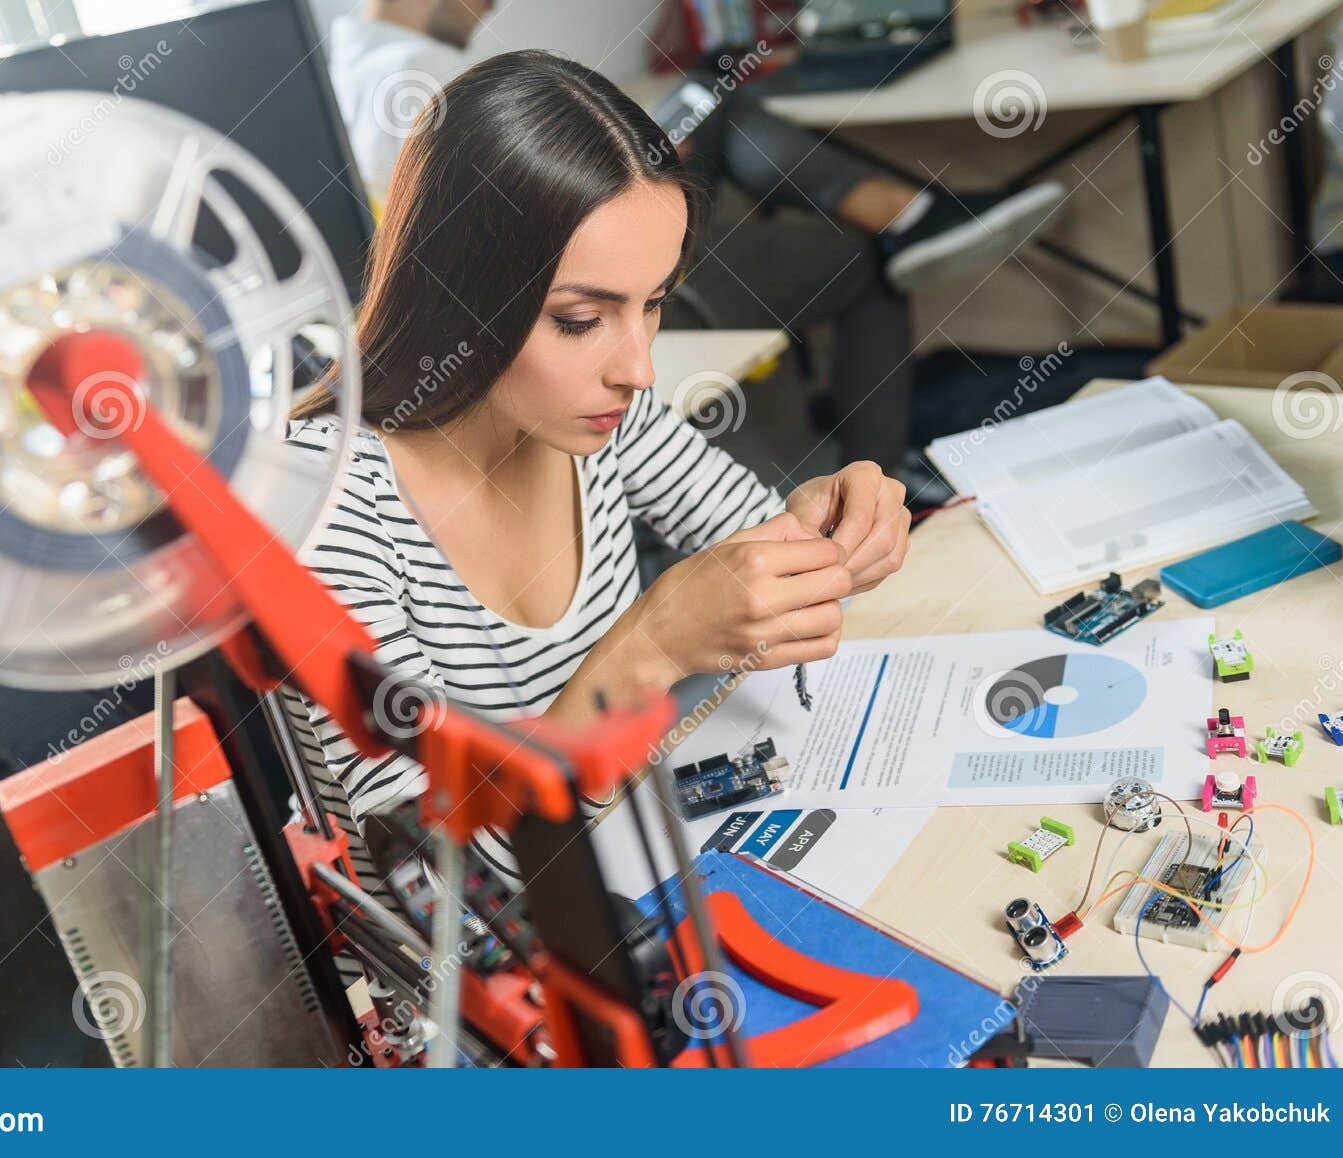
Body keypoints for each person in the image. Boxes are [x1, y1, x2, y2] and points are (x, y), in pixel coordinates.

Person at [278, 50, 910, 883]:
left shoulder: (596, 414)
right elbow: (449, 897)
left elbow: (767, 556)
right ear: (455, 292)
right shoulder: (327, 510)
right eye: (581, 320)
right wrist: (650, 647)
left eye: (653, 304)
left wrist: (831, 529)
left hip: (630, 868)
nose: (638, 369)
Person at [324, 1, 1067, 472]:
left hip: (590, 272)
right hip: (597, 277)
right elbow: (522, 224)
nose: (490, 5)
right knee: (854, 257)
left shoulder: (350, 67)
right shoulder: (414, 76)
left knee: (716, 101)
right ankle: (881, 462)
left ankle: (909, 220)